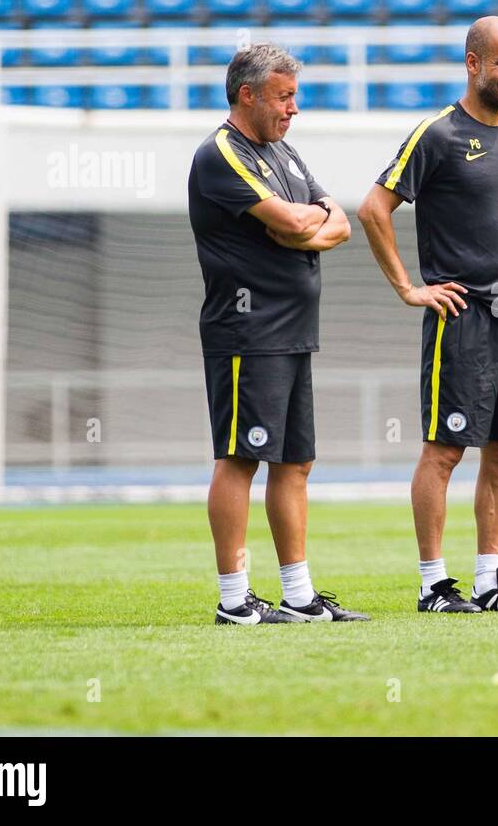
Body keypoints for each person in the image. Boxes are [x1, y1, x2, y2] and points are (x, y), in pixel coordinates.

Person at [357, 16, 498, 614]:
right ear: (473, 64)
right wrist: (409, 289)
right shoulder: (436, 135)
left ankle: (490, 582)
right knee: (445, 450)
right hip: (459, 316)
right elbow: (372, 208)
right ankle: (433, 585)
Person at [187, 43, 368, 625]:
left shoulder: (285, 153)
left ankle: (298, 595)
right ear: (248, 94)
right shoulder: (219, 153)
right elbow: (297, 219)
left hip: (292, 333)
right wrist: (302, 224)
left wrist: (304, 228)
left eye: (295, 96)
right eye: (285, 96)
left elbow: (340, 221)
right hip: (246, 331)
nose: (294, 109)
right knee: (240, 458)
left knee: (294, 463)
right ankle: (235, 600)